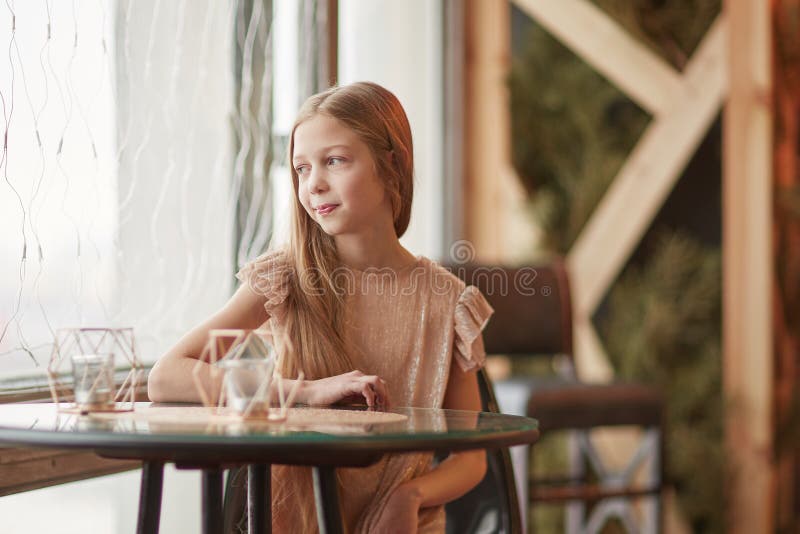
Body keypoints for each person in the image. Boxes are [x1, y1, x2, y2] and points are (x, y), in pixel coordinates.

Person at [148, 81, 494, 533]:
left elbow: (472, 460)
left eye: (335, 161)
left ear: (391, 164)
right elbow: (166, 376)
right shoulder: (283, 280)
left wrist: (411, 496)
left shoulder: (449, 301)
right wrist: (303, 393)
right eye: (301, 168)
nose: (314, 184)